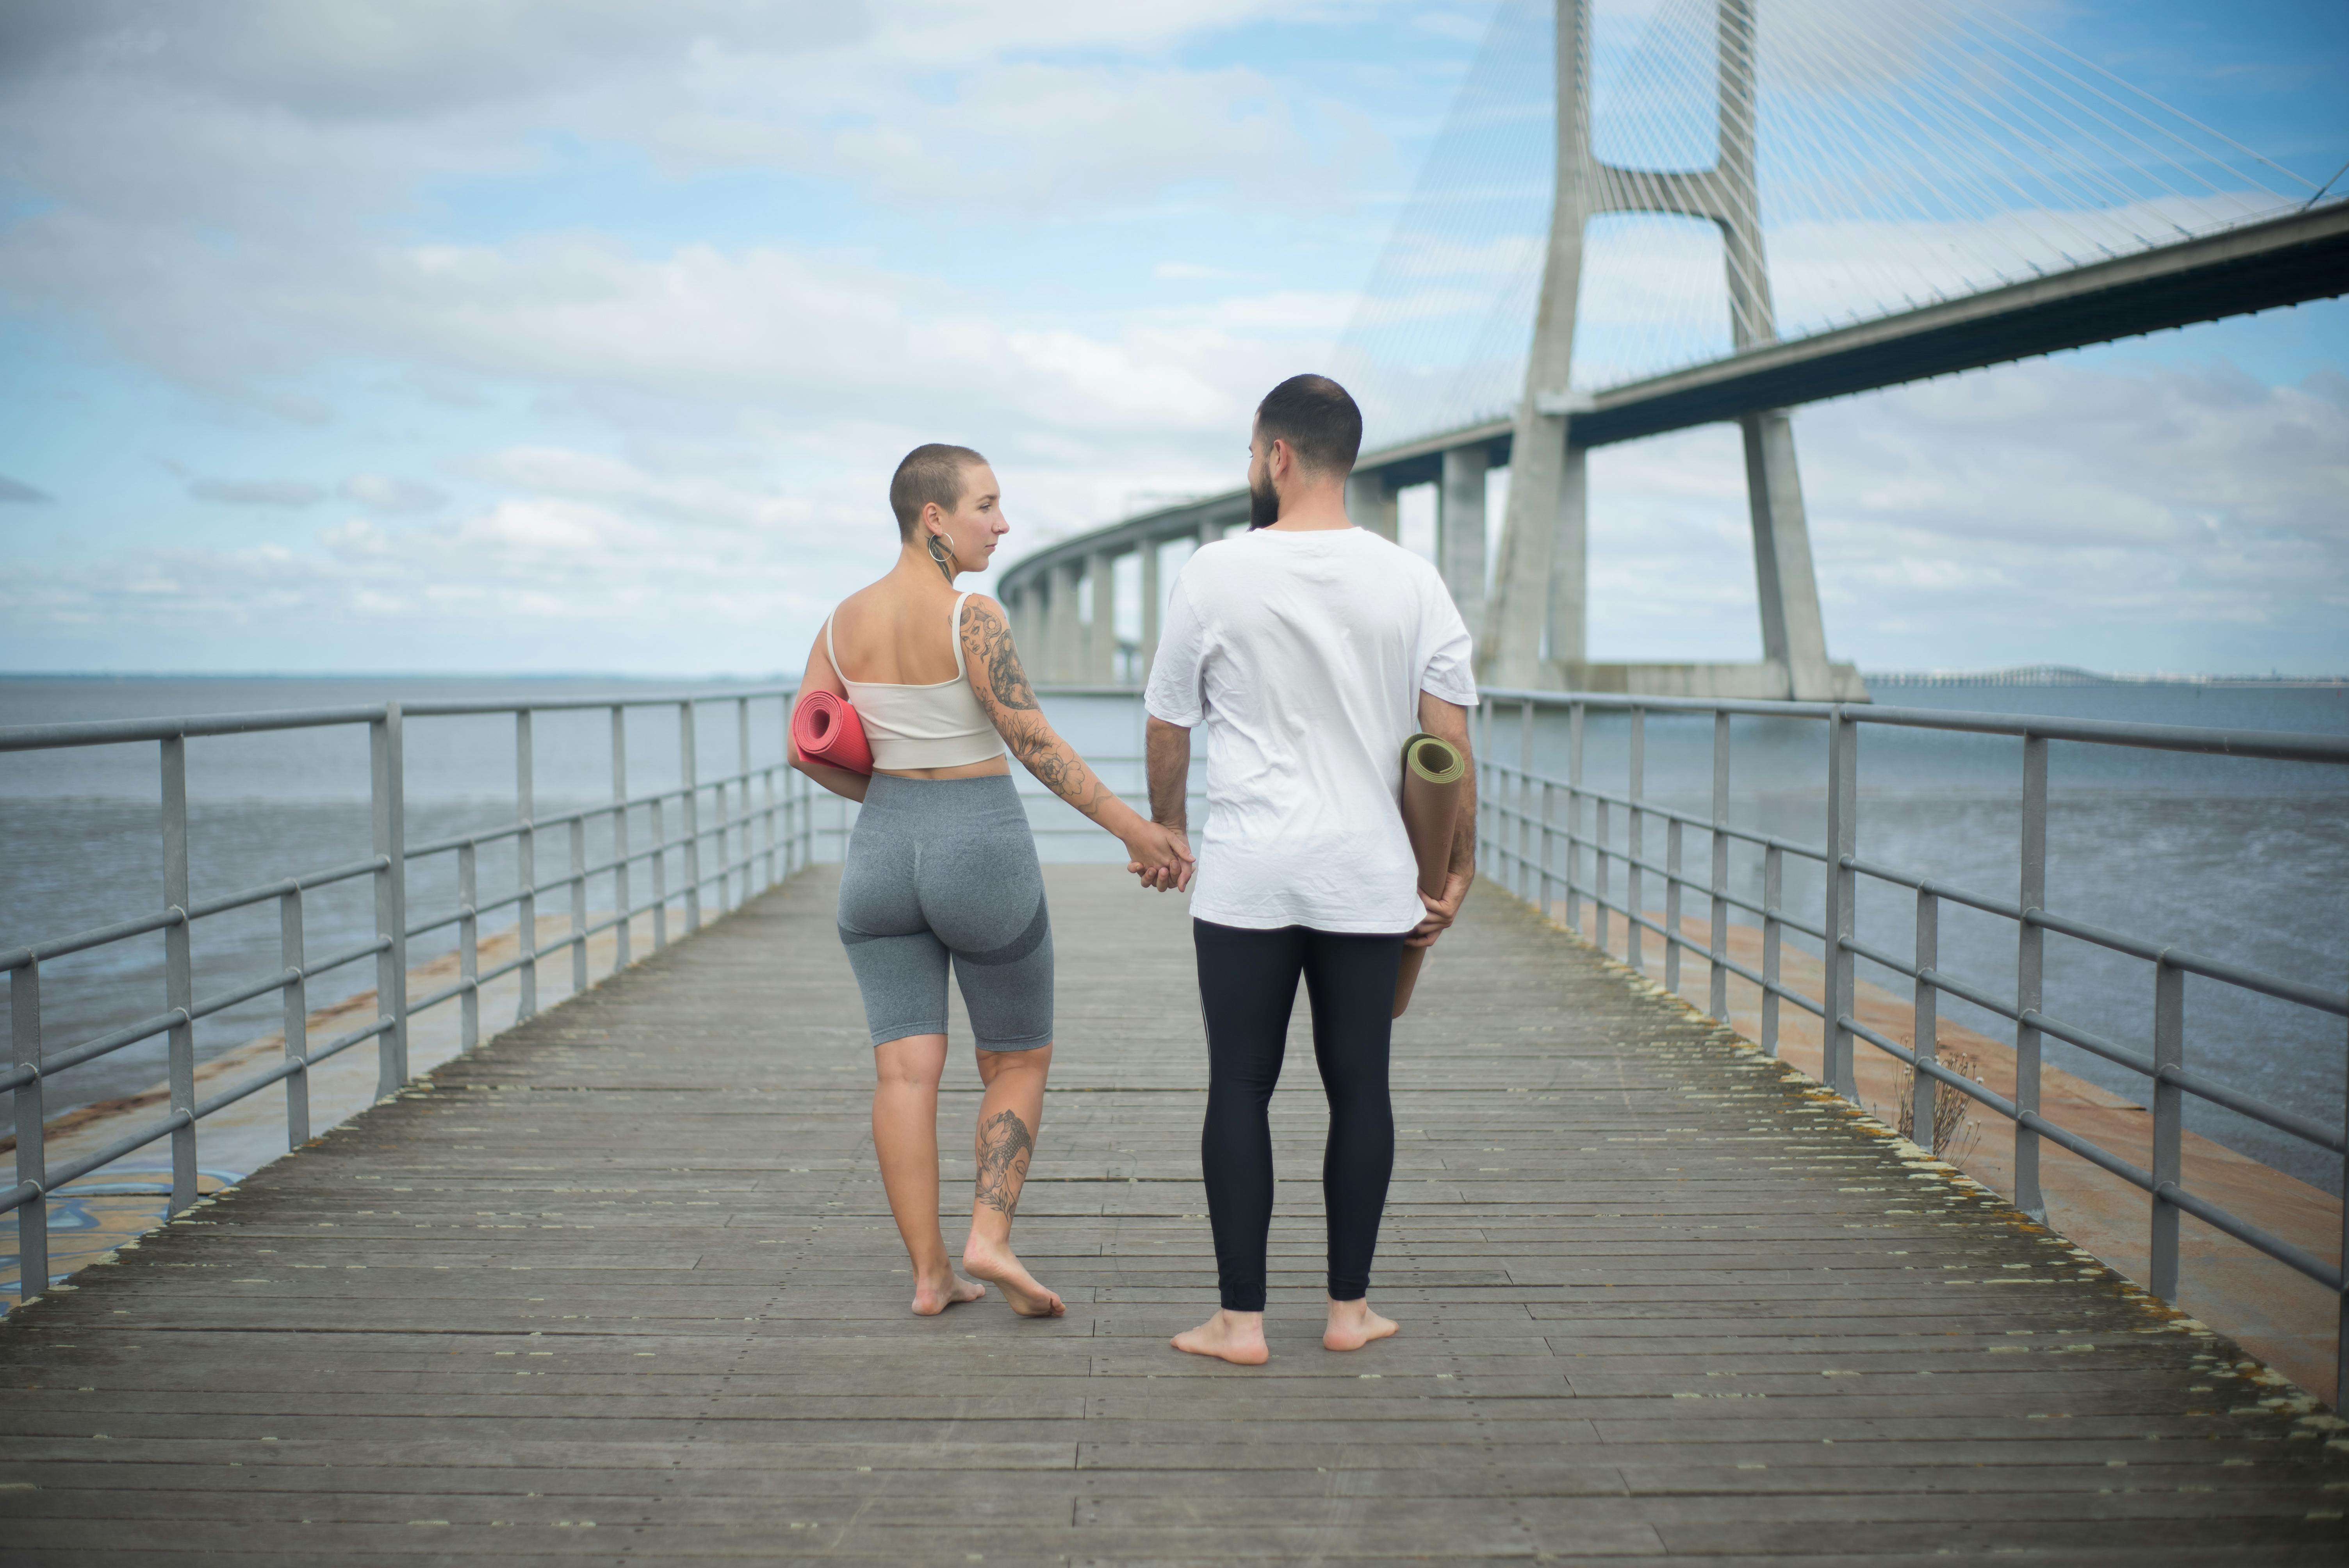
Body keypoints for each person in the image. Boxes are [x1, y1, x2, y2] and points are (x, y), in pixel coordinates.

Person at [792, 443, 1194, 1319]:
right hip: (979, 844)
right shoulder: (971, 614)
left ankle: (931, 1275)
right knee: (1016, 1059)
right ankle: (988, 1236)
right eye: (986, 505)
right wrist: (1142, 832)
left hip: (879, 857)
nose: (1002, 524)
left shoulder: (841, 620)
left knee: (903, 1072)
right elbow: (1033, 742)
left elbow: (804, 744)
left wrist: (893, 802)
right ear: (932, 516)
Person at [1137, 375, 1477, 1365]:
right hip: (1368, 875)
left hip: (1248, 874)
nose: (1250, 468)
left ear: (1277, 455)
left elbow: (1168, 720)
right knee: (1358, 1086)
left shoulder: (1212, 572)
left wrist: (1167, 827)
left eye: (1251, 452)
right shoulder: (1413, 580)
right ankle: (1346, 1312)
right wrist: (1456, 870)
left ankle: (1238, 1322)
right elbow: (1446, 739)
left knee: (1237, 1086)